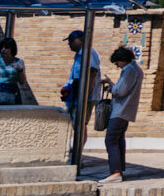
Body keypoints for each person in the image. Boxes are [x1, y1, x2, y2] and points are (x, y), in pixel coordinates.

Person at [101, 45, 142, 183]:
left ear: (122, 59)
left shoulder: (129, 70)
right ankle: (119, 169)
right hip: (127, 110)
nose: (117, 66)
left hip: (120, 110)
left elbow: (120, 91)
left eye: (117, 62)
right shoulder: (136, 69)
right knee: (118, 140)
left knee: (111, 139)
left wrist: (111, 86)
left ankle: (115, 172)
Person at [60, 30, 101, 117]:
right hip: (77, 96)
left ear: (81, 40)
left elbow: (92, 73)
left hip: (85, 97)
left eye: (71, 40)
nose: (69, 44)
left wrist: (84, 96)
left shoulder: (88, 53)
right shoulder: (79, 55)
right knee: (75, 124)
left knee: (81, 124)